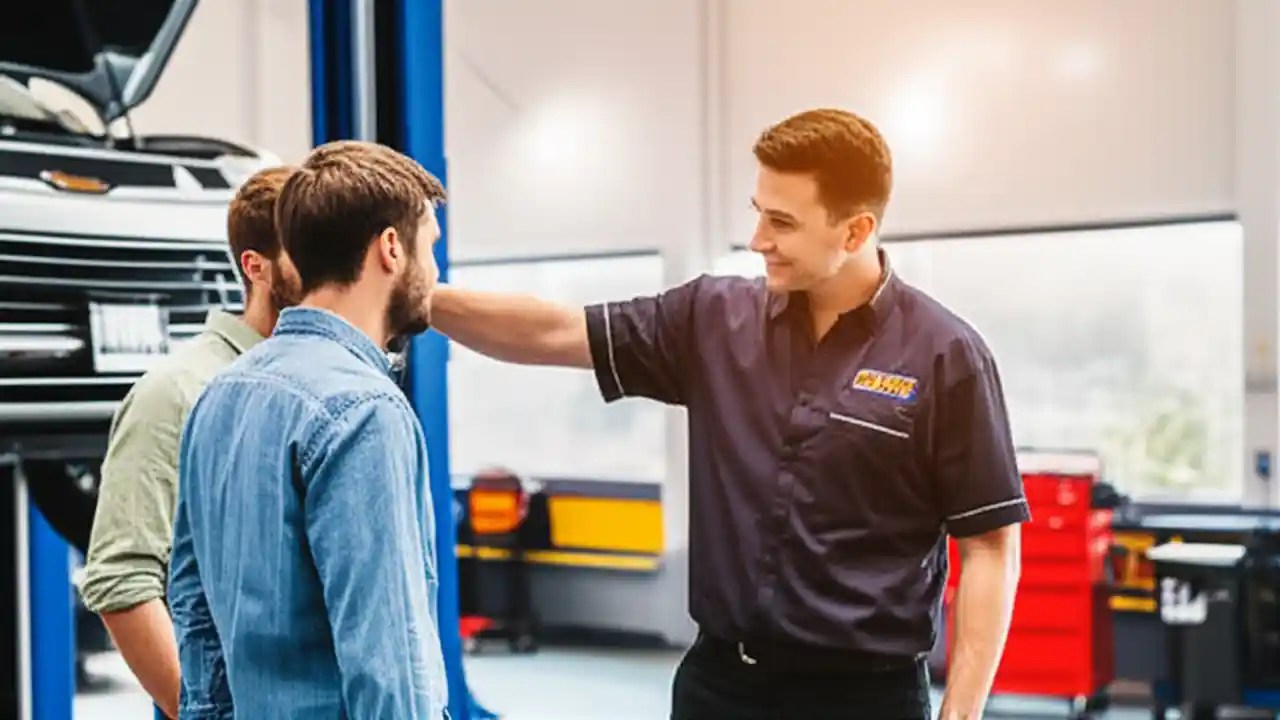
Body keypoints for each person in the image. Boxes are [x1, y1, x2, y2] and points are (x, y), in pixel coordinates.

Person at [429, 108, 1027, 719]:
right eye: (758, 211)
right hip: (720, 687)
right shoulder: (711, 320)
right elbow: (555, 331)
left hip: (862, 698)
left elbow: (989, 547)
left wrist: (960, 713)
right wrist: (416, 297)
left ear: (854, 231)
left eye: (782, 222)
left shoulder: (945, 356)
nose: (759, 238)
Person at [168, 140, 449, 719]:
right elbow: (388, 662)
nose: (436, 273)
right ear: (390, 249)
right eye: (431, 248)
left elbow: (196, 621)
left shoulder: (219, 395)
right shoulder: (365, 410)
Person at [77, 165, 301, 719]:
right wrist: (209, 713)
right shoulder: (176, 392)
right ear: (257, 267)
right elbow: (121, 580)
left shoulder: (324, 387)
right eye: (311, 248)